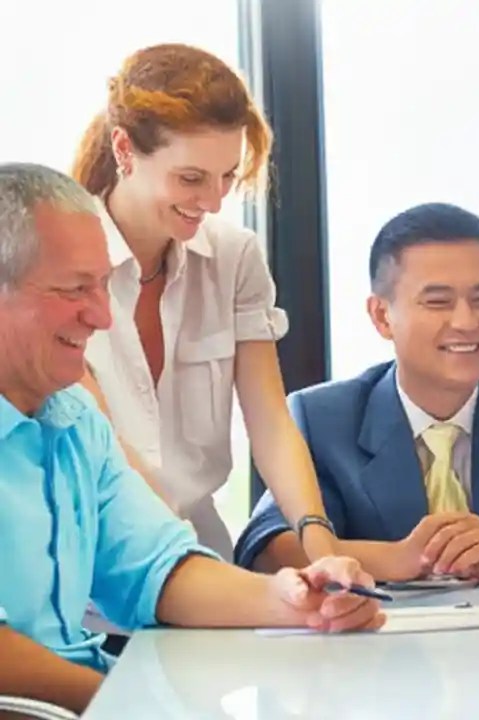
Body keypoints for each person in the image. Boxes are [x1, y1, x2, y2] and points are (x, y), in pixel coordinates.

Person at [0, 163, 382, 716]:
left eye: (104, 285)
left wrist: (297, 598)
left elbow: (158, 567)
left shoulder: (75, 421)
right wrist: (129, 703)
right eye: (74, 289)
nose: (102, 315)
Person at [234, 202, 479, 582]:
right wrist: (399, 559)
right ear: (382, 316)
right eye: (438, 302)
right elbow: (269, 547)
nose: (466, 322)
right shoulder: (323, 418)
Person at [70, 43, 339, 561]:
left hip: (199, 554)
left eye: (227, 177)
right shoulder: (60, 264)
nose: (214, 201)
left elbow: (270, 421)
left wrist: (318, 541)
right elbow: (106, 454)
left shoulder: (233, 258)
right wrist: (196, 573)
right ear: (124, 150)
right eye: (191, 178)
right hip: (95, 569)